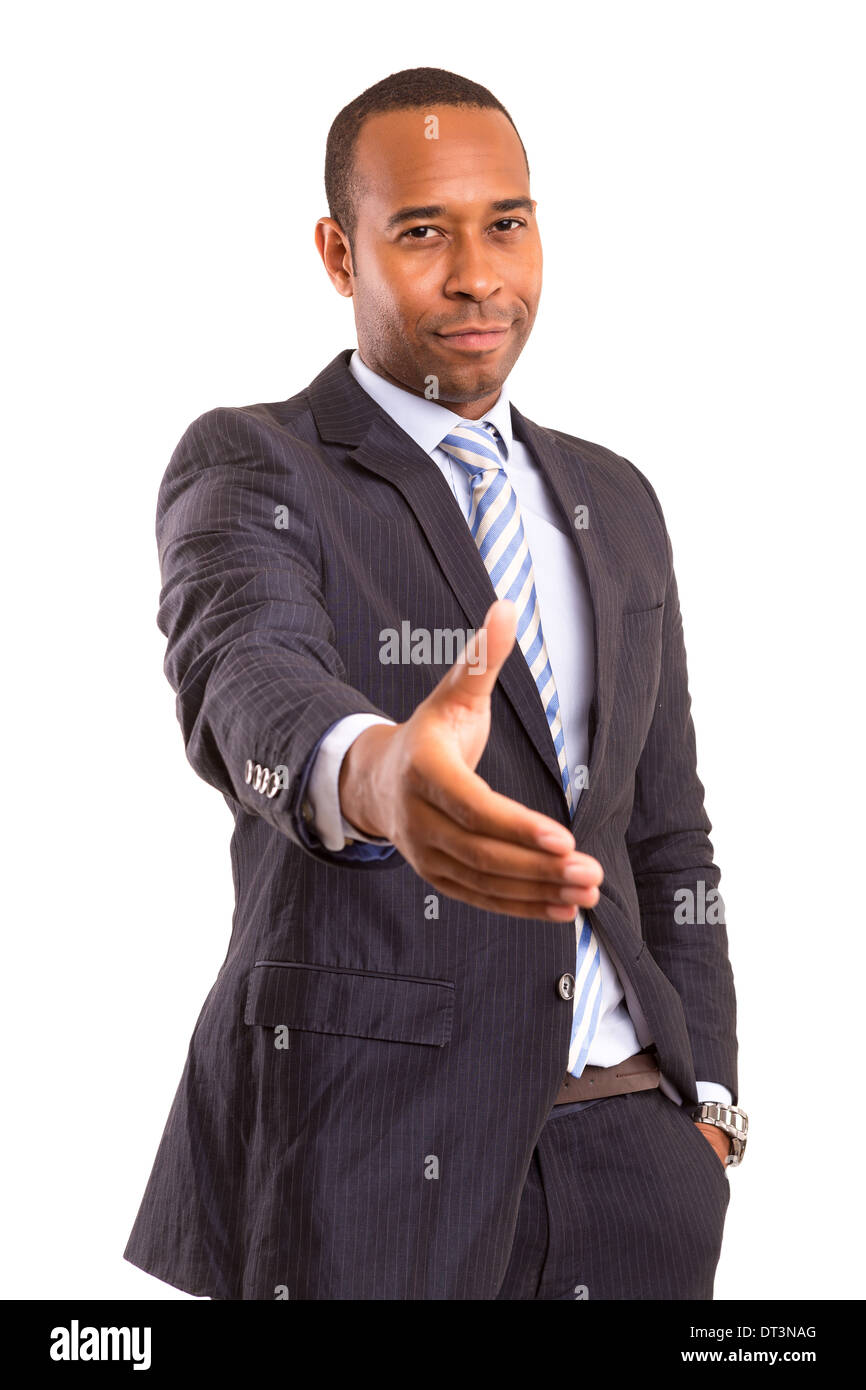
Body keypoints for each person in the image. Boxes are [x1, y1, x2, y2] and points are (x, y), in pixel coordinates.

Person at [124, 66, 747, 1301]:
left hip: (633, 1166)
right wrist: (371, 774)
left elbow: (669, 837)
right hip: (366, 1168)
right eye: (421, 232)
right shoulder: (255, 462)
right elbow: (243, 670)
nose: (476, 275)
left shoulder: (610, 498)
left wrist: (709, 1107)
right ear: (337, 251)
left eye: (504, 224)